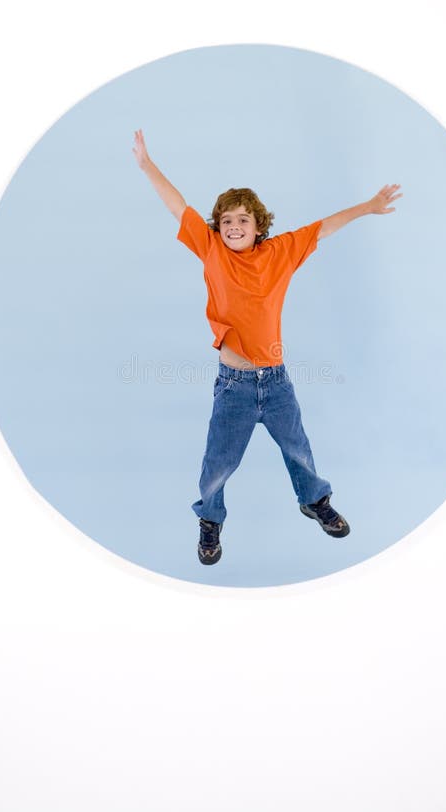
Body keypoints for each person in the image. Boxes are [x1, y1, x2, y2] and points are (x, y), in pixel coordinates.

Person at [132, 128, 402, 565]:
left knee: (298, 449)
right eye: (226, 221)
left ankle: (314, 501)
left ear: (259, 227)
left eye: (243, 220)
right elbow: (178, 205)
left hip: (276, 383)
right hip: (233, 387)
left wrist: (369, 206)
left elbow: (324, 227)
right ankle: (210, 520)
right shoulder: (212, 251)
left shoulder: (280, 252)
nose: (233, 227)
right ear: (216, 228)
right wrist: (147, 165)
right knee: (218, 463)